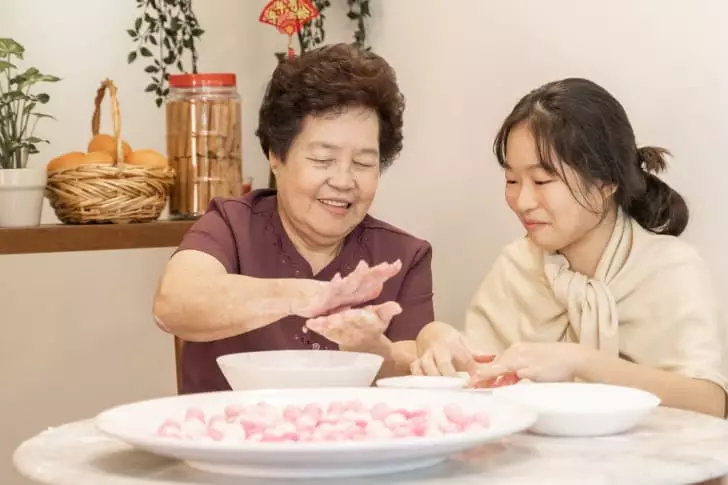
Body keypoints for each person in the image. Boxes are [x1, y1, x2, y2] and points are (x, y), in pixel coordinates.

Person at [413, 78, 728, 417]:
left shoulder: (670, 269)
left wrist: (583, 362)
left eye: (543, 181)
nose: (523, 201)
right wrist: (434, 337)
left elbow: (710, 401)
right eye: (512, 181)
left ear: (606, 182)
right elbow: (478, 379)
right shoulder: (516, 265)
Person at [154, 43, 434, 394]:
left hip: (350, 445)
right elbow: (174, 304)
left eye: (363, 163)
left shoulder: (403, 255)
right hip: (227, 442)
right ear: (276, 156)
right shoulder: (231, 224)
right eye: (322, 159)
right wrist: (307, 296)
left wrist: (372, 349)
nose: (344, 181)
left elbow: (414, 366)